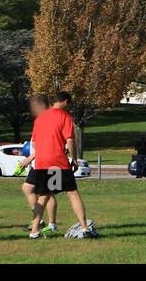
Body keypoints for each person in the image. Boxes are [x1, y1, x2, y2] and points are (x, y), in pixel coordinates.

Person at [28, 92, 96, 239]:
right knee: (72, 193)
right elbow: (70, 140)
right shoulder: (64, 117)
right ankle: (84, 228)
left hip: (41, 162)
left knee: (43, 196)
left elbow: (34, 142)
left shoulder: (40, 118)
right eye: (70, 104)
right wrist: (75, 159)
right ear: (66, 102)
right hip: (58, 161)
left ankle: (34, 231)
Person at [18, 96, 57, 232]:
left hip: (46, 162)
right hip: (39, 162)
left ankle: (48, 223)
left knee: (47, 193)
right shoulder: (40, 120)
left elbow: (45, 144)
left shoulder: (48, 120)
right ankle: (41, 220)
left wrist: (30, 158)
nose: (32, 109)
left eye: (34, 106)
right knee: (31, 190)